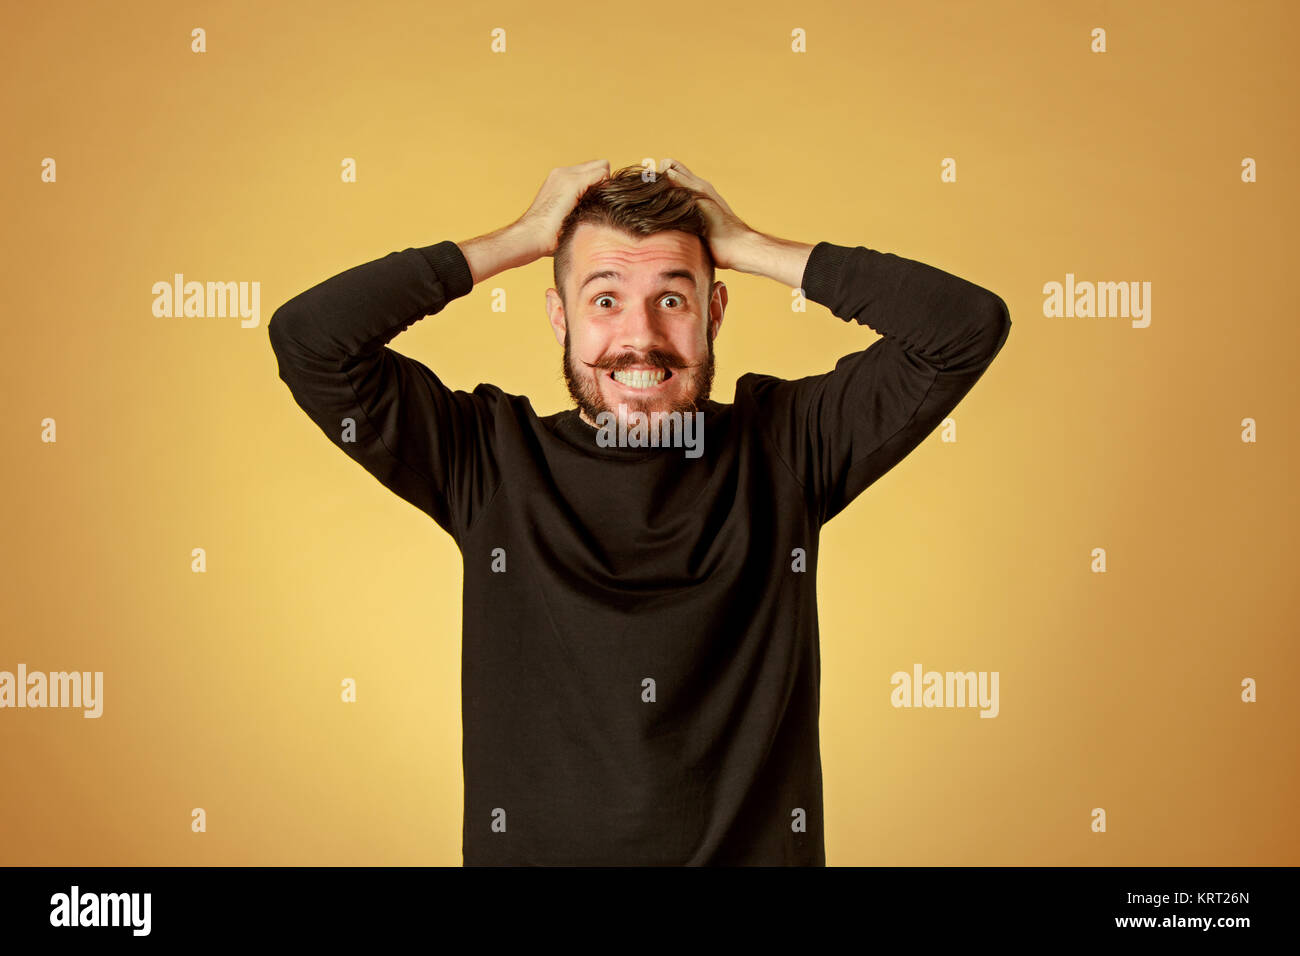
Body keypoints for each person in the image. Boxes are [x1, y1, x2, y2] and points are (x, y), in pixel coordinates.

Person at [268, 159, 1012, 865]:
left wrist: (750, 246)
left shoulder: (787, 448)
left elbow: (964, 328)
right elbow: (312, 343)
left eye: (673, 299)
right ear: (559, 318)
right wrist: (521, 238)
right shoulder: (488, 460)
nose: (640, 338)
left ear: (714, 312)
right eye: (604, 299)